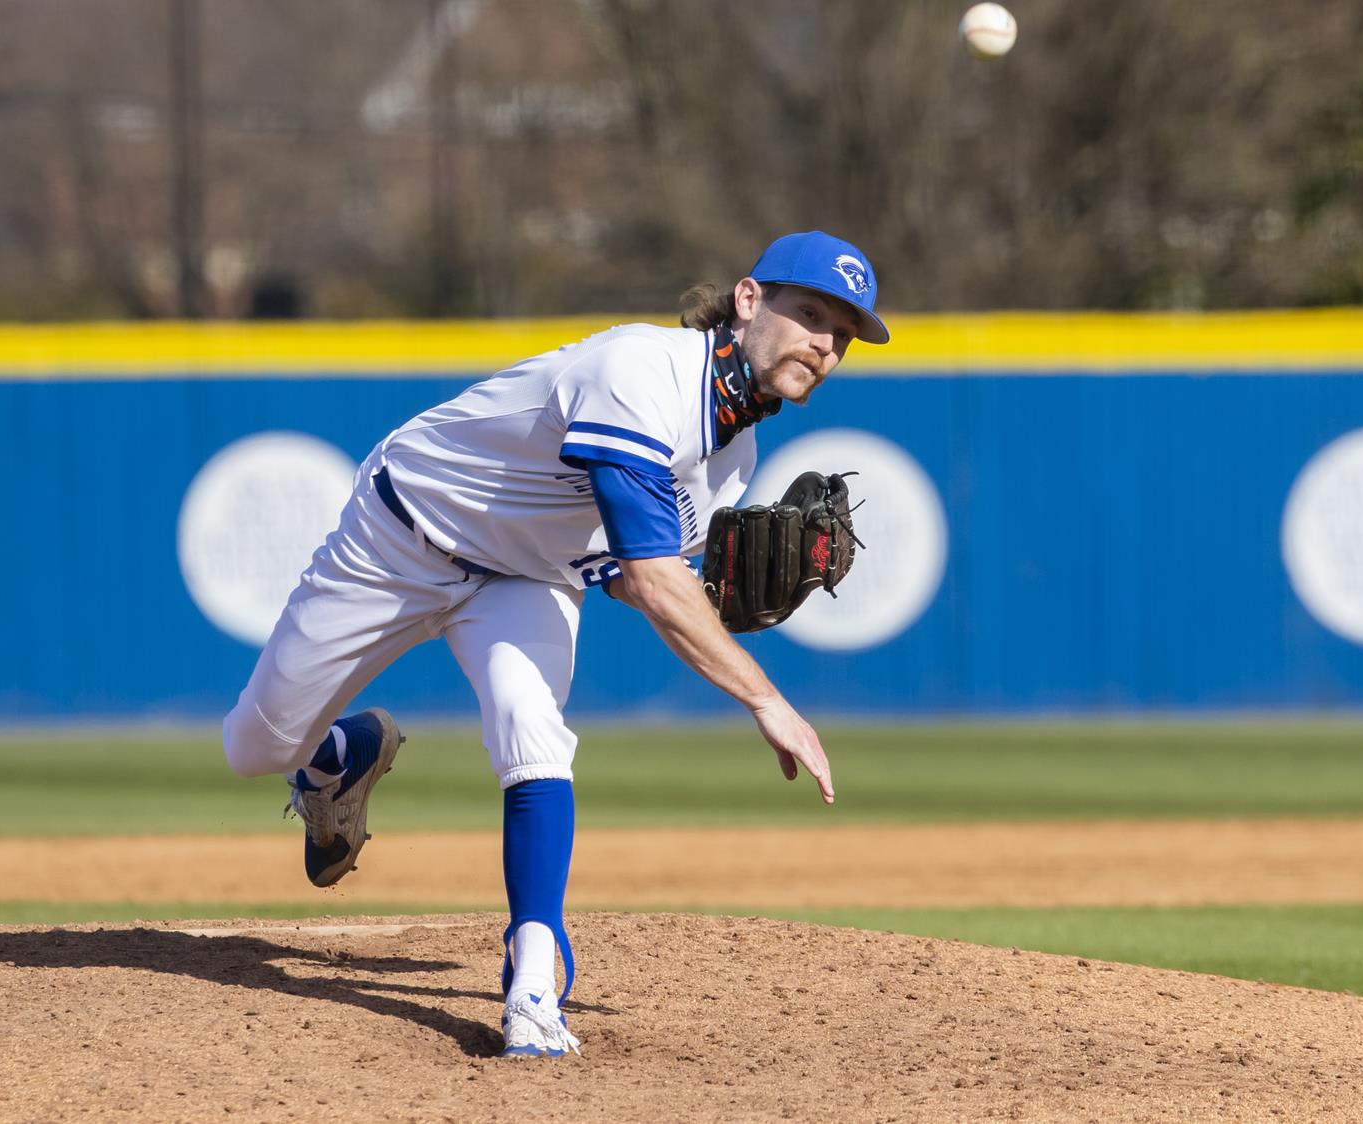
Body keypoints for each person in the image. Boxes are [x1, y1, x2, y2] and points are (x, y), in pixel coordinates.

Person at [219, 231, 890, 1059]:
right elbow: (649, 577)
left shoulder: (734, 459)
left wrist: (699, 597)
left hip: (524, 580)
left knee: (533, 736)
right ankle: (334, 758)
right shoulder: (644, 372)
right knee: (253, 747)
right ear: (750, 301)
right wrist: (766, 697)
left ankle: (533, 976)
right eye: (811, 312)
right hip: (398, 537)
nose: (823, 343)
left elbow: (624, 572)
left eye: (844, 334)